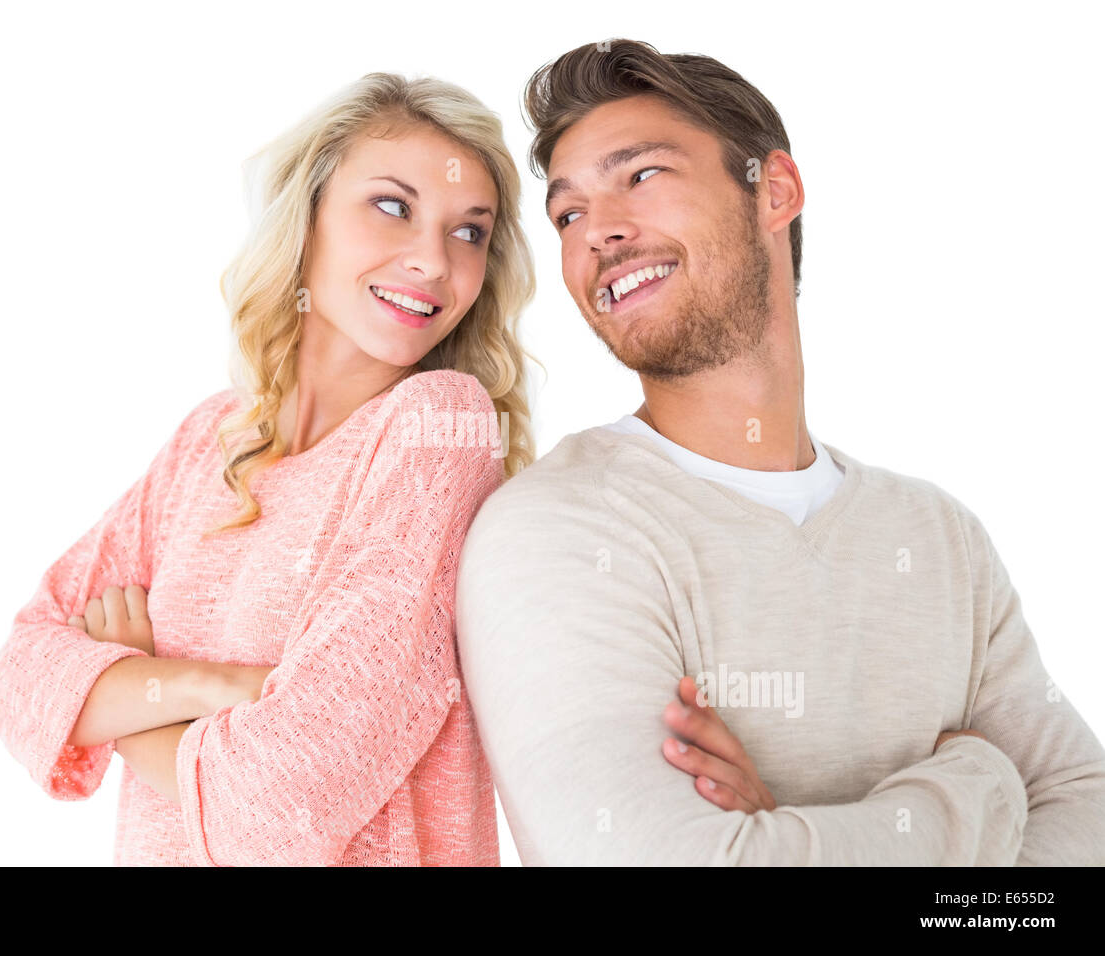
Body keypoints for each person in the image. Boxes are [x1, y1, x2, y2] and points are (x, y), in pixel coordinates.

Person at [454, 39, 1105, 865]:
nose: (599, 234)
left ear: (776, 191)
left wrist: (779, 837)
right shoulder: (554, 533)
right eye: (569, 213)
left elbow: (1089, 820)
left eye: (642, 175)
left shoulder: (940, 540)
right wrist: (977, 782)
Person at [0, 72, 538, 866]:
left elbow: (290, 797)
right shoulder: (214, 437)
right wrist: (213, 688)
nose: (432, 260)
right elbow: (19, 677)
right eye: (393, 205)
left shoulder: (438, 426)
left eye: (470, 231)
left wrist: (130, 699)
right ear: (306, 216)